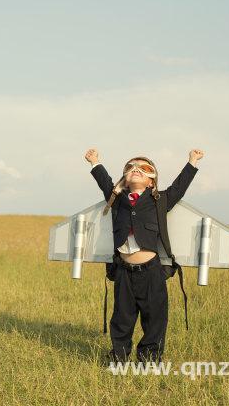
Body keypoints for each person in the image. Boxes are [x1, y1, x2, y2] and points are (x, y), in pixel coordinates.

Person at [84, 148, 204, 364]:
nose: (136, 169)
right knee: (122, 317)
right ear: (124, 179)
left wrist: (192, 161)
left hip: (151, 271)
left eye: (144, 168)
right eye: (130, 167)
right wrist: (95, 162)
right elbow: (105, 182)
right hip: (123, 271)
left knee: (155, 318)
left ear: (151, 181)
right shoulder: (117, 198)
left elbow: (179, 187)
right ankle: (118, 358)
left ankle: (149, 359)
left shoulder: (159, 200)